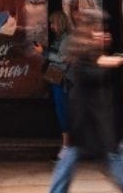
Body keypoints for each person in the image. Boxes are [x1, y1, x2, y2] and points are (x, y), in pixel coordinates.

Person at [47, 12, 123, 193]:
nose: (103, 34)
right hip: (88, 118)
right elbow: (89, 73)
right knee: (103, 155)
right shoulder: (82, 52)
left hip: (99, 119)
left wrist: (107, 60)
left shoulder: (92, 52)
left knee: (111, 156)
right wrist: (106, 62)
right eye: (98, 31)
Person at [47, 9, 74, 156]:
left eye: (53, 23)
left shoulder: (67, 39)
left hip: (63, 80)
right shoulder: (60, 38)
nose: (51, 26)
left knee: (63, 111)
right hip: (57, 79)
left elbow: (63, 59)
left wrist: (44, 53)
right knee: (61, 111)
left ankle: (66, 146)